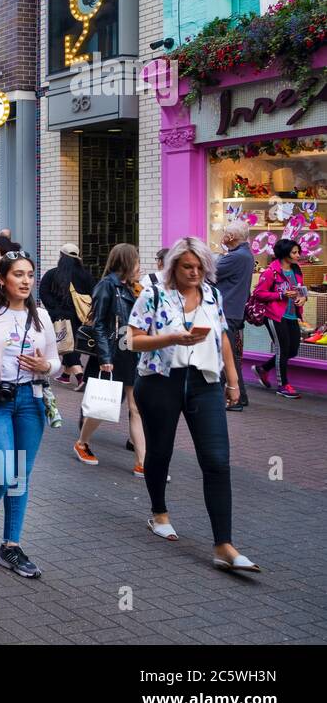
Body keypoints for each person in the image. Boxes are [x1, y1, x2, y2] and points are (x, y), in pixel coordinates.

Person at [127, 236, 258, 573]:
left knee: (217, 460)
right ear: (174, 267)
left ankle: (223, 545)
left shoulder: (212, 295)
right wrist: (171, 337)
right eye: (188, 266)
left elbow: (223, 338)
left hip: (205, 383)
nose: (195, 272)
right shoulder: (153, 294)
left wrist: (233, 381)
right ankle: (159, 513)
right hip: (160, 382)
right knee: (160, 451)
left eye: (200, 267)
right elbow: (133, 340)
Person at [0, 251, 58, 578]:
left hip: (31, 401)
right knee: (4, 471)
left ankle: (11, 546)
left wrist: (47, 366)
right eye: (18, 274)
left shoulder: (40, 317)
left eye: (30, 275)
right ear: (2, 279)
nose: (26, 281)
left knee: (20, 475)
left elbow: (55, 361)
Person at [73, 244, 146, 475]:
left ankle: (143, 463)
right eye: (136, 261)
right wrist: (105, 357)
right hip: (112, 355)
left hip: (131, 353)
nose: (139, 266)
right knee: (104, 405)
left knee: (136, 408)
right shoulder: (107, 286)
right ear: (126, 263)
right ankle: (82, 442)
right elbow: (100, 325)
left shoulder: (135, 288)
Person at [251, 237, 307, 399]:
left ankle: (263, 369)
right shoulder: (271, 272)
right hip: (275, 315)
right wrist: (281, 294)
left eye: (298, 252)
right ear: (284, 254)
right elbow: (258, 294)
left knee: (293, 350)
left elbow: (302, 290)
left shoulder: (297, 270)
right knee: (282, 349)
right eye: (294, 252)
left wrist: (304, 298)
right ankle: (283, 385)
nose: (298, 255)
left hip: (292, 315)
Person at [38, 242, 96, 387]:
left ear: (61, 256)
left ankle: (80, 376)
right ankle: (65, 375)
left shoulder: (53, 273)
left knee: (66, 345)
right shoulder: (86, 275)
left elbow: (44, 292)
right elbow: (94, 293)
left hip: (60, 316)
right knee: (74, 344)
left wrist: (54, 309)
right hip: (80, 316)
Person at [215, 221, 255, 411]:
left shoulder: (236, 257)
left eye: (224, 232)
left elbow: (210, 273)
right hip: (233, 311)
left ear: (231, 237)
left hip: (228, 311)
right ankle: (240, 397)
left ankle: (234, 398)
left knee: (226, 355)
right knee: (230, 355)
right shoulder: (244, 255)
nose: (222, 235)